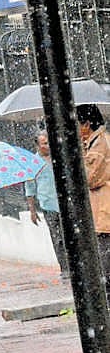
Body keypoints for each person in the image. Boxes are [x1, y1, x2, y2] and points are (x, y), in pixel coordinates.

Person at [25, 129, 69, 280]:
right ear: (37, 145)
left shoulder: (59, 157)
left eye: (49, 142)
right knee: (58, 238)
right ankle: (65, 268)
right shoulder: (33, 163)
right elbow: (30, 189)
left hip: (65, 203)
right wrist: (32, 211)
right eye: (44, 143)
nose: (48, 146)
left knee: (69, 236)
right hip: (48, 205)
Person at [80, 104, 110, 292]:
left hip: (104, 210)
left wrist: (80, 155)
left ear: (87, 124)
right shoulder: (98, 141)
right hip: (102, 209)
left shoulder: (98, 145)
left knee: (104, 264)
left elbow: (89, 178)